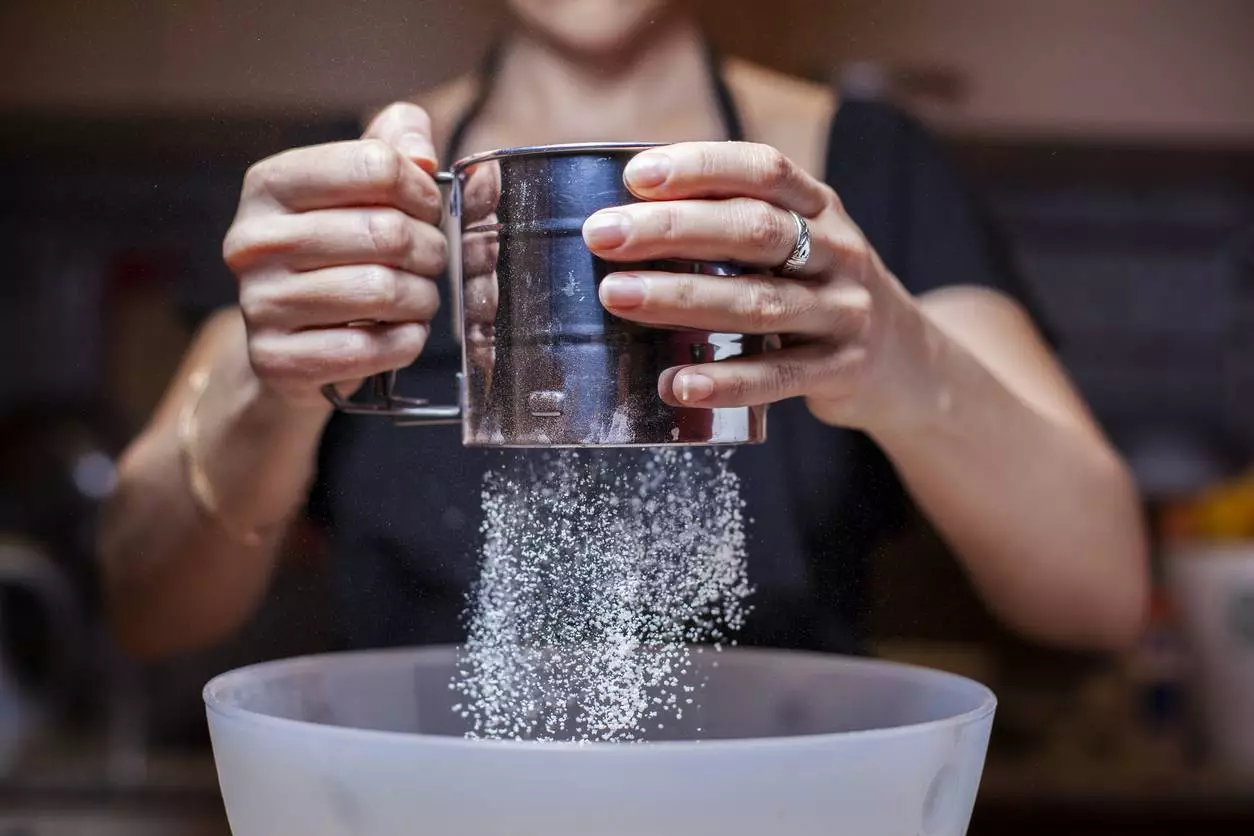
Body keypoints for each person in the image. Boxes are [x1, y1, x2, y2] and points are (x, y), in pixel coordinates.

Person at [99, 0, 1148, 660]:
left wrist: (896, 356)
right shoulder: (348, 199)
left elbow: (1100, 595)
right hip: (424, 793)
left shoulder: (867, 169)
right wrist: (269, 374)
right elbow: (144, 604)